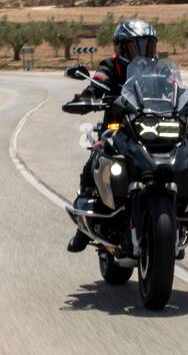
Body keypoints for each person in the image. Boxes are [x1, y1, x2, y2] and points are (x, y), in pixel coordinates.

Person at [67, 19, 158, 252]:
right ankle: (84, 228)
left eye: (147, 46)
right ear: (121, 48)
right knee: (94, 162)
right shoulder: (110, 66)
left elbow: (173, 88)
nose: (142, 52)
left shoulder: (158, 70)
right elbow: (97, 84)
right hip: (117, 128)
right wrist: (86, 98)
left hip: (151, 130)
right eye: (135, 46)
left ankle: (174, 218)